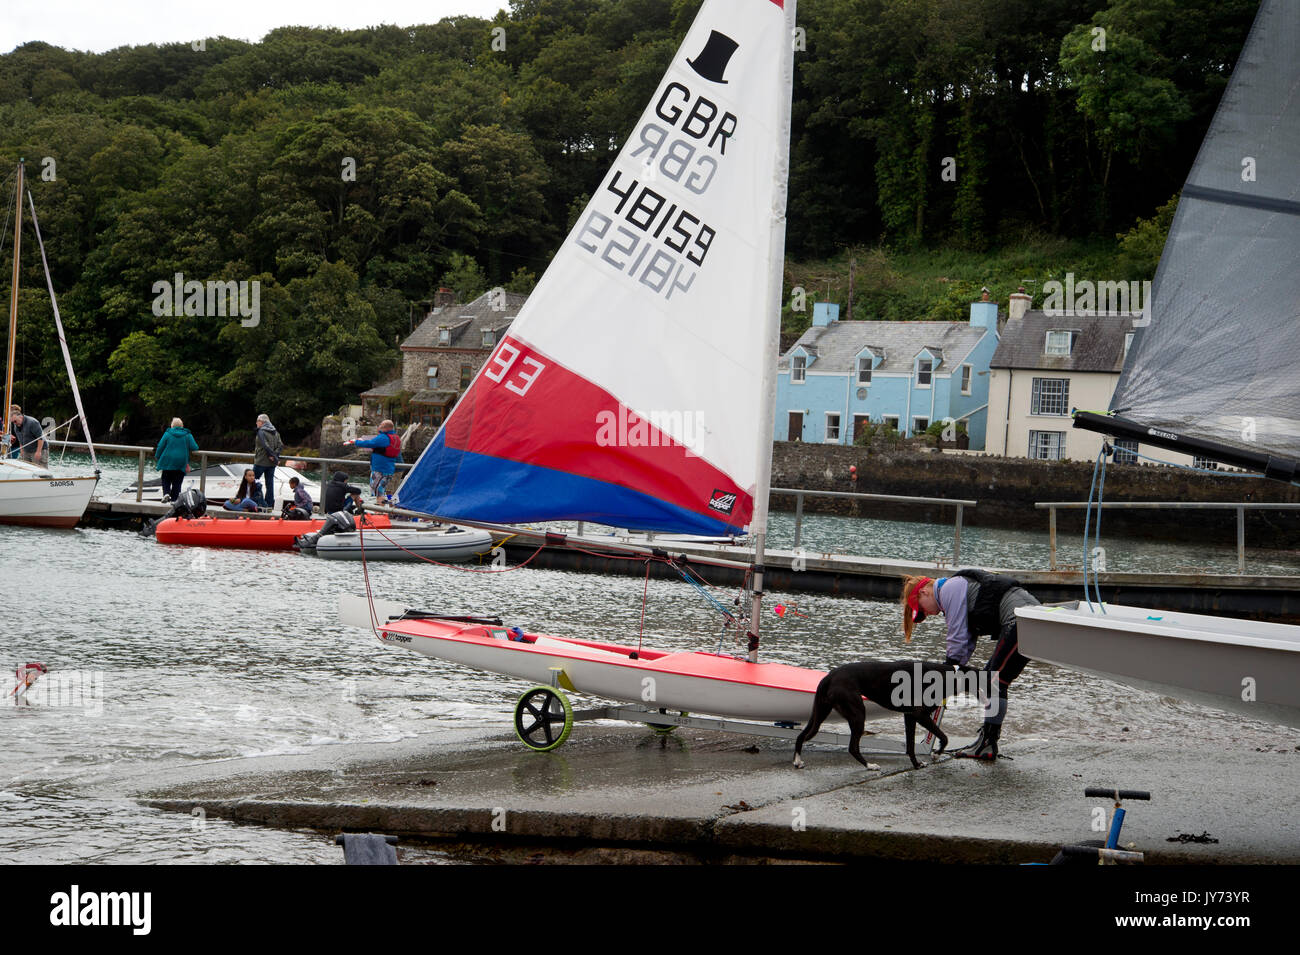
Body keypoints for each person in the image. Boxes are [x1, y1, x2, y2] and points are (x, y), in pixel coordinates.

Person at [901, 569, 1040, 760]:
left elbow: (957, 638)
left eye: (922, 609)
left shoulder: (950, 588)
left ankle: (987, 745)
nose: (928, 614)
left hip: (1023, 621)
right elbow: (967, 642)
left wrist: (947, 671)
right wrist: (953, 671)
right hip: (1032, 619)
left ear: (924, 592)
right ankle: (986, 741)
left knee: (992, 682)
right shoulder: (957, 588)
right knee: (993, 680)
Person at [345, 419, 400, 501]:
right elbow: (377, 446)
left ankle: (380, 510)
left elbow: (369, 443)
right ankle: (392, 508)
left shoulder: (383, 438)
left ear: (385, 428)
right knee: (389, 491)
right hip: (390, 469)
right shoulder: (395, 438)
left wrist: (356, 442)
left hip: (380, 470)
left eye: (380, 425)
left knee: (379, 492)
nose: (379, 427)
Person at [154, 417, 199, 502]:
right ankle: (174, 500)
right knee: (177, 482)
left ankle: (166, 493)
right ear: (182, 426)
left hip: (167, 460)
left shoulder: (167, 433)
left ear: (172, 425)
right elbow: (194, 447)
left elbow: (160, 446)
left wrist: (157, 456)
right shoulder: (187, 434)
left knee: (165, 478)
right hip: (181, 462)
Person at [253, 413, 283, 509]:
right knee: (269, 484)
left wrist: (272, 455)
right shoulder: (275, 432)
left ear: (262, 422)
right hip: (271, 464)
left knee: (253, 481)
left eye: (257, 421)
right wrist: (275, 457)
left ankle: (257, 502)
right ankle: (269, 504)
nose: (256, 423)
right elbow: (280, 445)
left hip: (261, 461)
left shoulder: (261, 431)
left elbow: (265, 445)